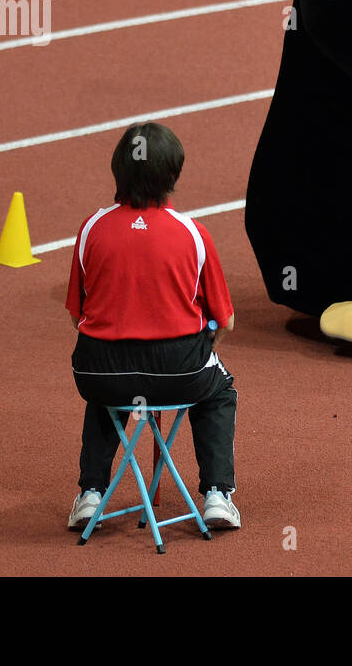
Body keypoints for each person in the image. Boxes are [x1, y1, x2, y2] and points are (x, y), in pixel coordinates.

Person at [63, 122, 240, 532]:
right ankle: (216, 495)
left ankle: (92, 494)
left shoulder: (91, 229)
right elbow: (225, 320)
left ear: (117, 172)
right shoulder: (193, 234)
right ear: (173, 175)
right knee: (220, 389)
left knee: (106, 393)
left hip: (99, 371)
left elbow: (78, 315)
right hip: (178, 372)